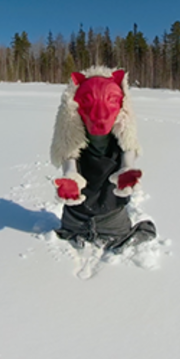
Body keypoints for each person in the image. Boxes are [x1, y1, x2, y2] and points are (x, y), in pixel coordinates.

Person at [50, 66, 155, 251]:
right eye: (88, 102)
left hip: (112, 213)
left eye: (111, 101)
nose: (100, 115)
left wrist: (127, 168)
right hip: (76, 214)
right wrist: (70, 178)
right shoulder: (73, 135)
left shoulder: (121, 135)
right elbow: (69, 155)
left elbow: (128, 146)